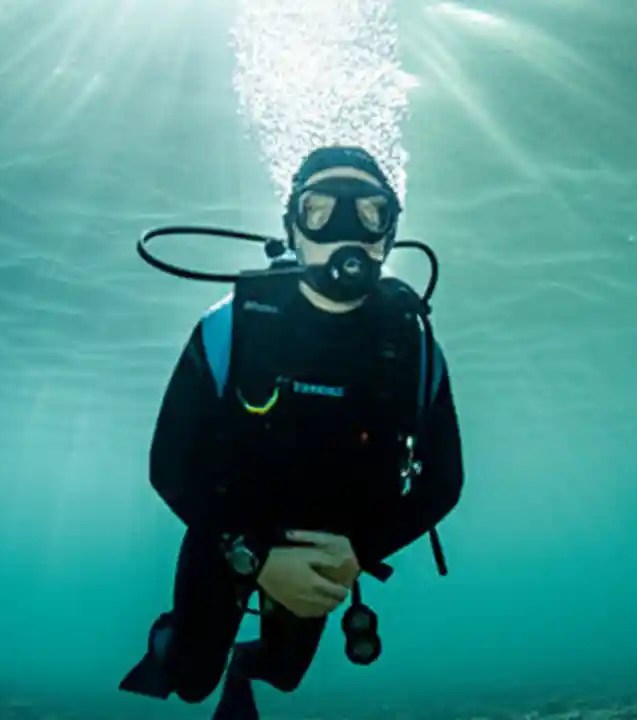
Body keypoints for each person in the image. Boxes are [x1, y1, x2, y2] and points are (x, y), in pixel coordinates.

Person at [120, 146, 465, 719]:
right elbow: (169, 466)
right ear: (293, 230)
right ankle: (177, 642)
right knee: (188, 680)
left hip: (328, 551)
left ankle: (244, 670)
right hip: (226, 535)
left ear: (388, 235)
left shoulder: (415, 348)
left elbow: (446, 482)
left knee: (282, 676)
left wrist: (361, 551)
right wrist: (251, 556)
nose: (348, 231)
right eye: (322, 210)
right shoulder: (230, 326)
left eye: (372, 213)